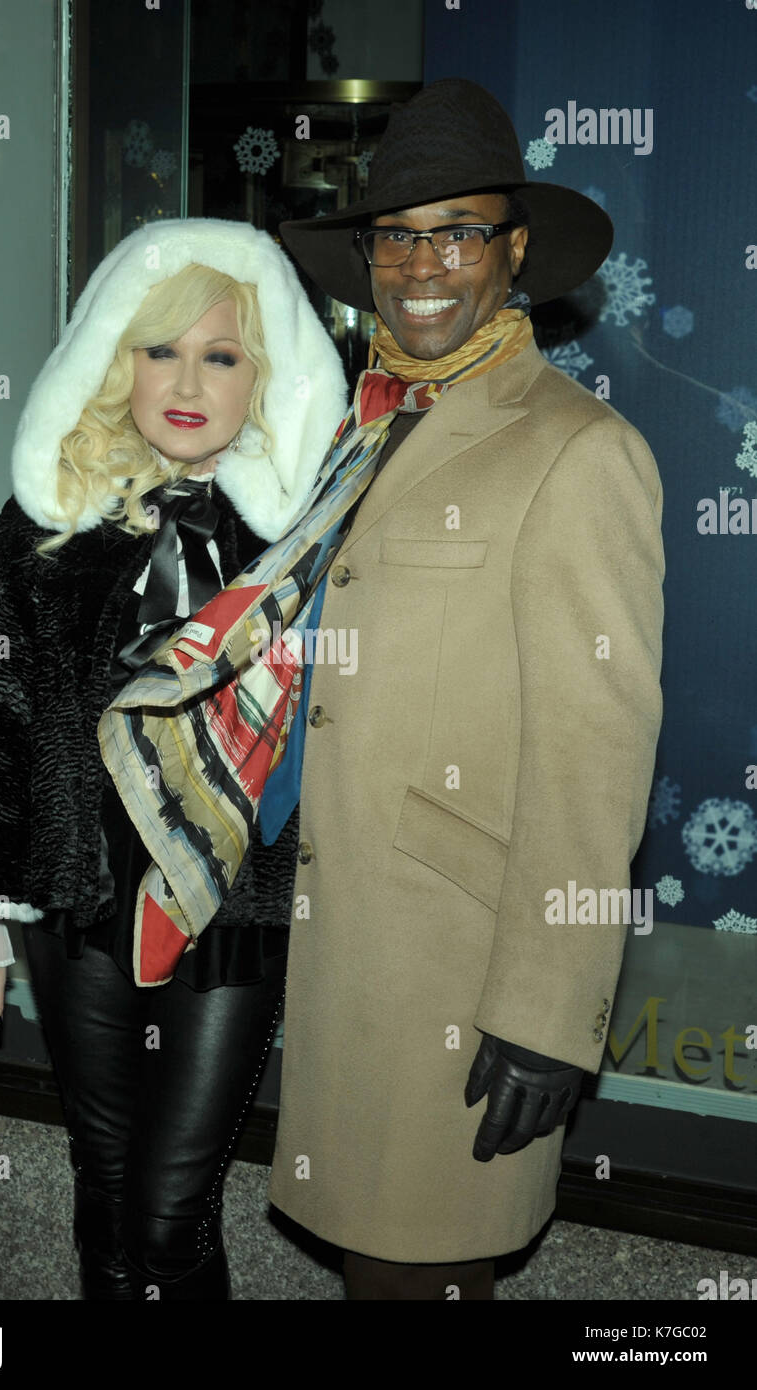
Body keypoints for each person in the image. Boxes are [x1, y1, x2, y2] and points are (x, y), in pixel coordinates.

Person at [260, 78, 665, 1299]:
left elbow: (596, 758)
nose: (423, 264)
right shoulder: (363, 428)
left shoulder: (579, 450)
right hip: (345, 954)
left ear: (516, 252)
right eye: (397, 234)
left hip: (460, 982)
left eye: (458, 232)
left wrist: (549, 1009)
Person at [0, 219, 348, 1301]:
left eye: (221, 355)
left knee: (169, 1212)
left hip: (233, 913)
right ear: (116, 358)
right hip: (78, 903)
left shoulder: (305, 538)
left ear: (266, 374)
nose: (186, 380)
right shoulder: (45, 525)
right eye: (160, 350)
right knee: (101, 1185)